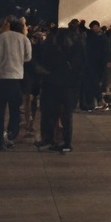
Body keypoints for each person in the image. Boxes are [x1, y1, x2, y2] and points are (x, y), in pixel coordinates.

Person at [0, 17, 32, 150]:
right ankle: (12, 132)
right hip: (15, 79)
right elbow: (28, 57)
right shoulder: (23, 39)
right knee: (15, 109)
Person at [35, 24, 82, 153]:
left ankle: (49, 139)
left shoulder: (51, 47)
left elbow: (41, 62)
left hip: (52, 84)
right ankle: (65, 142)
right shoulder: (74, 48)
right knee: (65, 115)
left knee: (50, 113)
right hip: (66, 85)